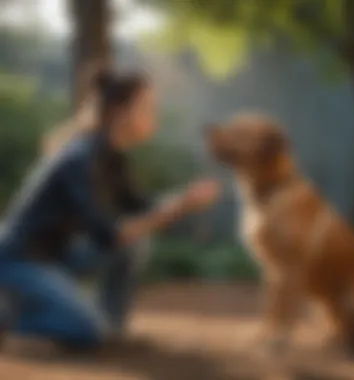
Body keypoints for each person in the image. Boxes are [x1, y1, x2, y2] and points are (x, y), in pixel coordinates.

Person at [0, 69, 220, 350]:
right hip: (18, 259)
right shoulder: (81, 158)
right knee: (87, 331)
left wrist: (185, 200)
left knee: (134, 245)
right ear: (120, 111)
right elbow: (107, 235)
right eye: (147, 107)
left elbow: (142, 206)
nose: (155, 114)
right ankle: (14, 315)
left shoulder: (111, 156)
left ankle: (111, 327)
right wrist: (178, 208)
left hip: (55, 257)